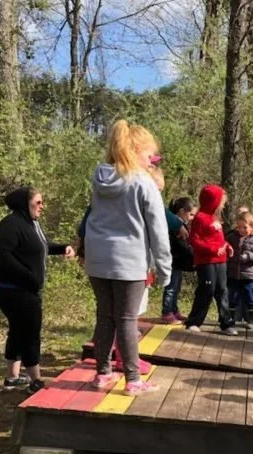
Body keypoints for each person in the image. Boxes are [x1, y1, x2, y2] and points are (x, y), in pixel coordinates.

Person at [84, 119, 172, 396]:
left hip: (98, 260)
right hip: (129, 261)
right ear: (134, 150)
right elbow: (158, 228)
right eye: (150, 155)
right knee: (126, 319)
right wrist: (164, 268)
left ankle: (103, 373)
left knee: (105, 317)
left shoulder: (100, 178)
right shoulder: (143, 183)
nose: (152, 161)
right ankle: (133, 380)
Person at [0, 186, 75, 393]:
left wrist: (63, 247)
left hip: (22, 287)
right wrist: (28, 276)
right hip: (12, 288)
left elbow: (41, 246)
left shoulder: (31, 224)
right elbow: (3, 255)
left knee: (19, 329)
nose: (42, 207)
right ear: (24, 204)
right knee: (30, 331)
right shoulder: (10, 225)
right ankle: (35, 381)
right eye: (38, 202)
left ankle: (12, 378)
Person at [185, 184, 238, 336]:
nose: (223, 204)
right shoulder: (200, 218)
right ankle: (194, 321)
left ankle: (226, 323)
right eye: (221, 201)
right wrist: (213, 250)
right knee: (206, 290)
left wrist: (227, 246)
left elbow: (218, 239)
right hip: (206, 262)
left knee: (222, 290)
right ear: (212, 201)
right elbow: (194, 240)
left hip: (221, 261)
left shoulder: (215, 218)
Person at [226, 212, 253, 329]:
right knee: (232, 297)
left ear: (252, 226)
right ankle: (231, 318)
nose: (241, 230)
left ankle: (251, 320)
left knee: (250, 297)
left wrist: (248, 256)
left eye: (245, 227)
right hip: (234, 274)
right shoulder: (232, 236)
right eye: (239, 227)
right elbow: (224, 245)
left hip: (249, 275)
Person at [161, 197, 197, 324]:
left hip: (178, 262)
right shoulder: (175, 226)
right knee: (171, 287)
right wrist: (191, 251)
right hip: (173, 261)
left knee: (176, 287)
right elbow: (179, 244)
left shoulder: (182, 225)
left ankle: (174, 310)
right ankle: (167, 312)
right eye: (191, 214)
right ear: (182, 211)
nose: (192, 217)